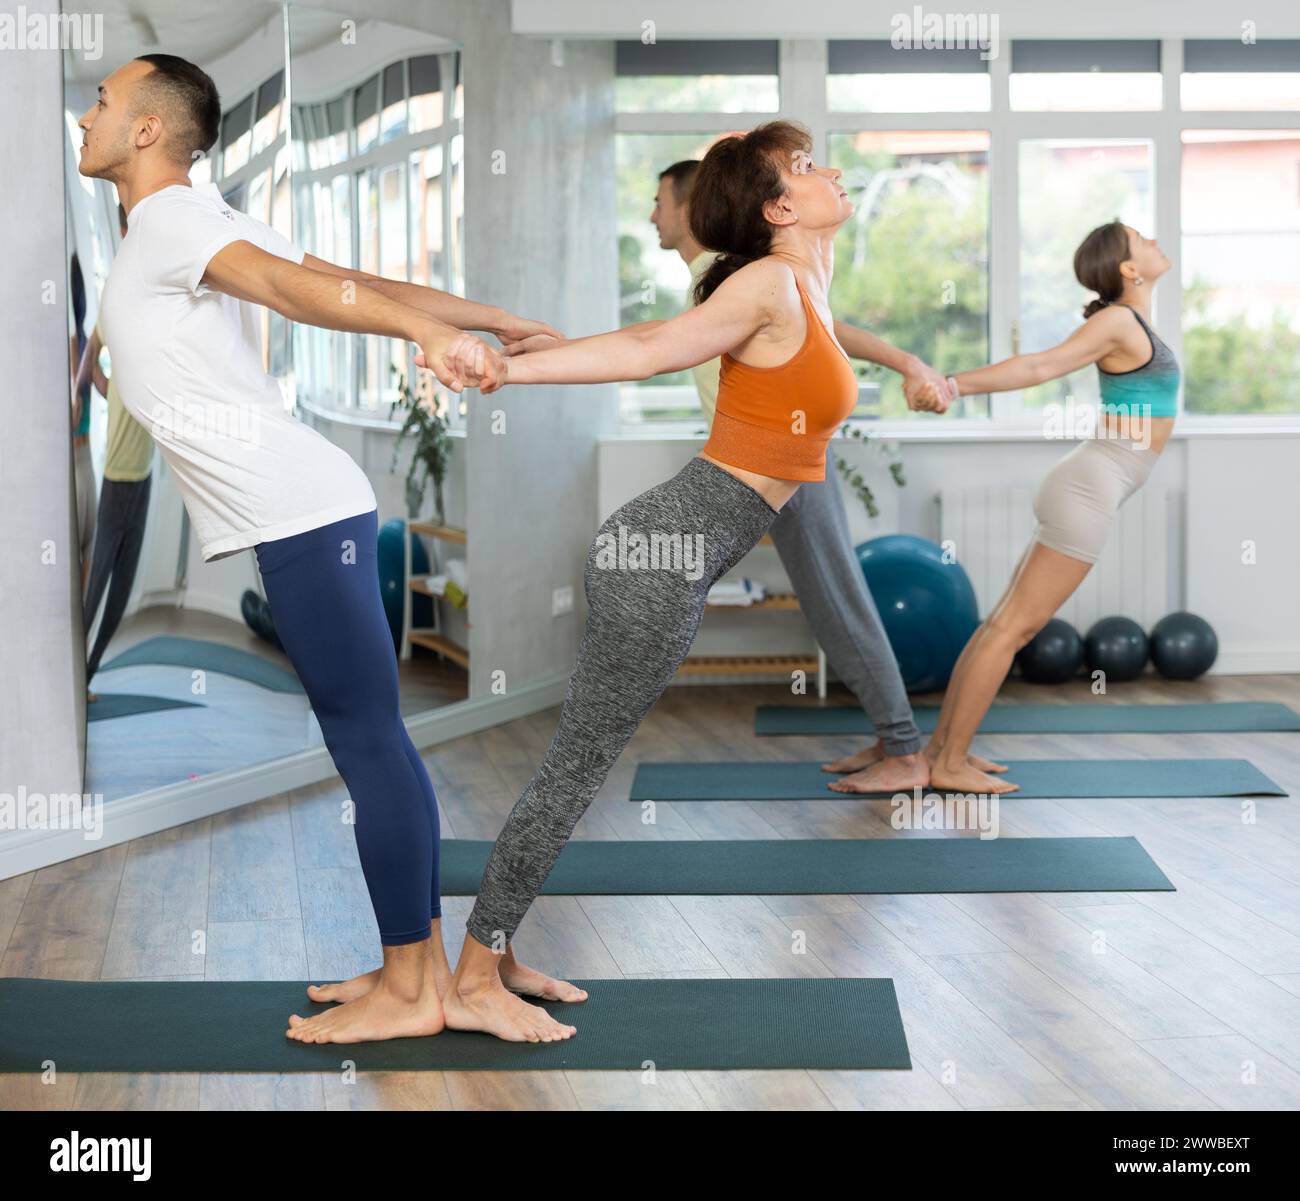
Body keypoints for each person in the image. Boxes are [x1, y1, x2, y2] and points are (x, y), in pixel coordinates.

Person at [76, 53, 555, 1045]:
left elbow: (301, 295)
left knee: (367, 741)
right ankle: (412, 968)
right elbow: (332, 280)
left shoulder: (171, 220)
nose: (89, 115)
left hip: (295, 510)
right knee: (374, 736)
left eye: (103, 101)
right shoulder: (193, 217)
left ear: (151, 128)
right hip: (305, 507)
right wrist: (469, 315)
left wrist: (433, 335)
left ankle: (409, 988)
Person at [429, 120, 873, 1043]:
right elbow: (646, 353)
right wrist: (513, 367)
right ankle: (472, 976)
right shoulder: (769, 281)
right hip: (661, 552)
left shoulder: (805, 278)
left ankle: (498, 950)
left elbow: (653, 326)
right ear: (781, 206)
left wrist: (748, 158)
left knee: (578, 760)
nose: (831, 169)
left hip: (683, 550)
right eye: (806, 166)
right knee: (578, 765)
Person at [650, 158, 1005, 793]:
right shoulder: (732, 274)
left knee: (835, 597)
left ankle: (904, 753)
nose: (652, 214)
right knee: (834, 596)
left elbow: (663, 344)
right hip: (772, 458)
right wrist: (905, 360)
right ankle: (893, 739)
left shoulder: (730, 275)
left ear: (688, 207)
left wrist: (907, 360)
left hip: (782, 459)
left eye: (659, 202)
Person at [911, 221, 1177, 795]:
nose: (1155, 242)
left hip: (1089, 483)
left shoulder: (1134, 322)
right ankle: (949, 762)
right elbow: (1038, 367)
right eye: (1142, 239)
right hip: (1087, 489)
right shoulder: (1119, 321)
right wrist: (951, 384)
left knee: (1001, 626)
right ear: (1128, 269)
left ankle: (943, 752)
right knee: (1012, 630)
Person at [76, 203, 154, 703]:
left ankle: (85, 675)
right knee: (97, 584)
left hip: (143, 474)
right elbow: (90, 358)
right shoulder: (119, 291)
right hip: (118, 474)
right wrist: (96, 390)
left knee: (121, 593)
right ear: (126, 228)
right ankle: (70, 677)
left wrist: (118, 393)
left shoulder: (150, 289)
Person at [69, 253, 97, 595]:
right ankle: (84, 642)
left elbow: (72, 413)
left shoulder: (74, 345)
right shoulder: (88, 341)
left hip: (75, 468)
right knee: (87, 555)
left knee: (73, 566)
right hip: (87, 465)